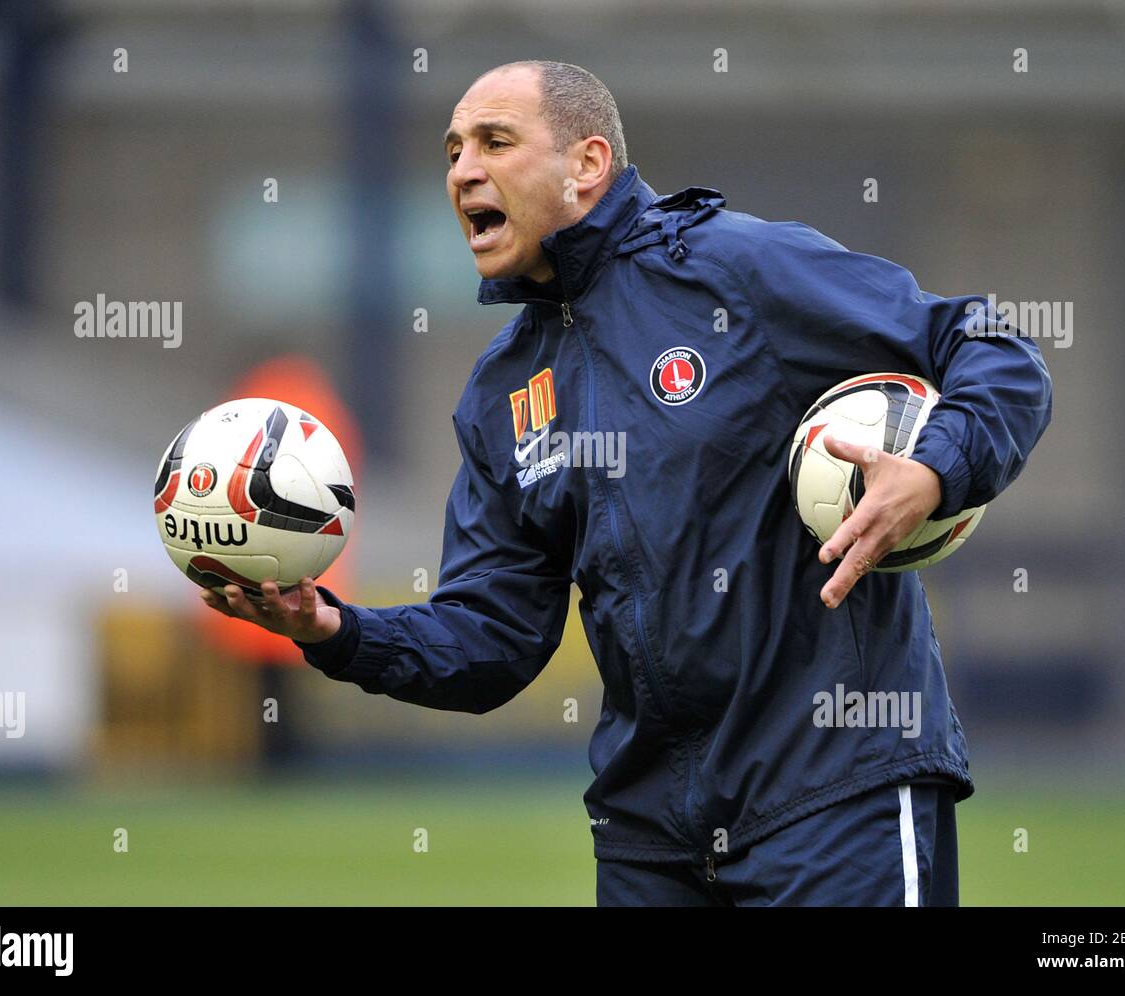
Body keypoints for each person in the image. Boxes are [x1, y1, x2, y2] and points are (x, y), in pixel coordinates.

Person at [199, 60, 1053, 906]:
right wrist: (335, 631)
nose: (464, 169)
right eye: (453, 149)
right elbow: (491, 638)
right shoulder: (501, 394)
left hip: (834, 793)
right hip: (651, 840)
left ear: (588, 164)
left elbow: (992, 346)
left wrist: (936, 469)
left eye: (496, 141)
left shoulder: (735, 272)